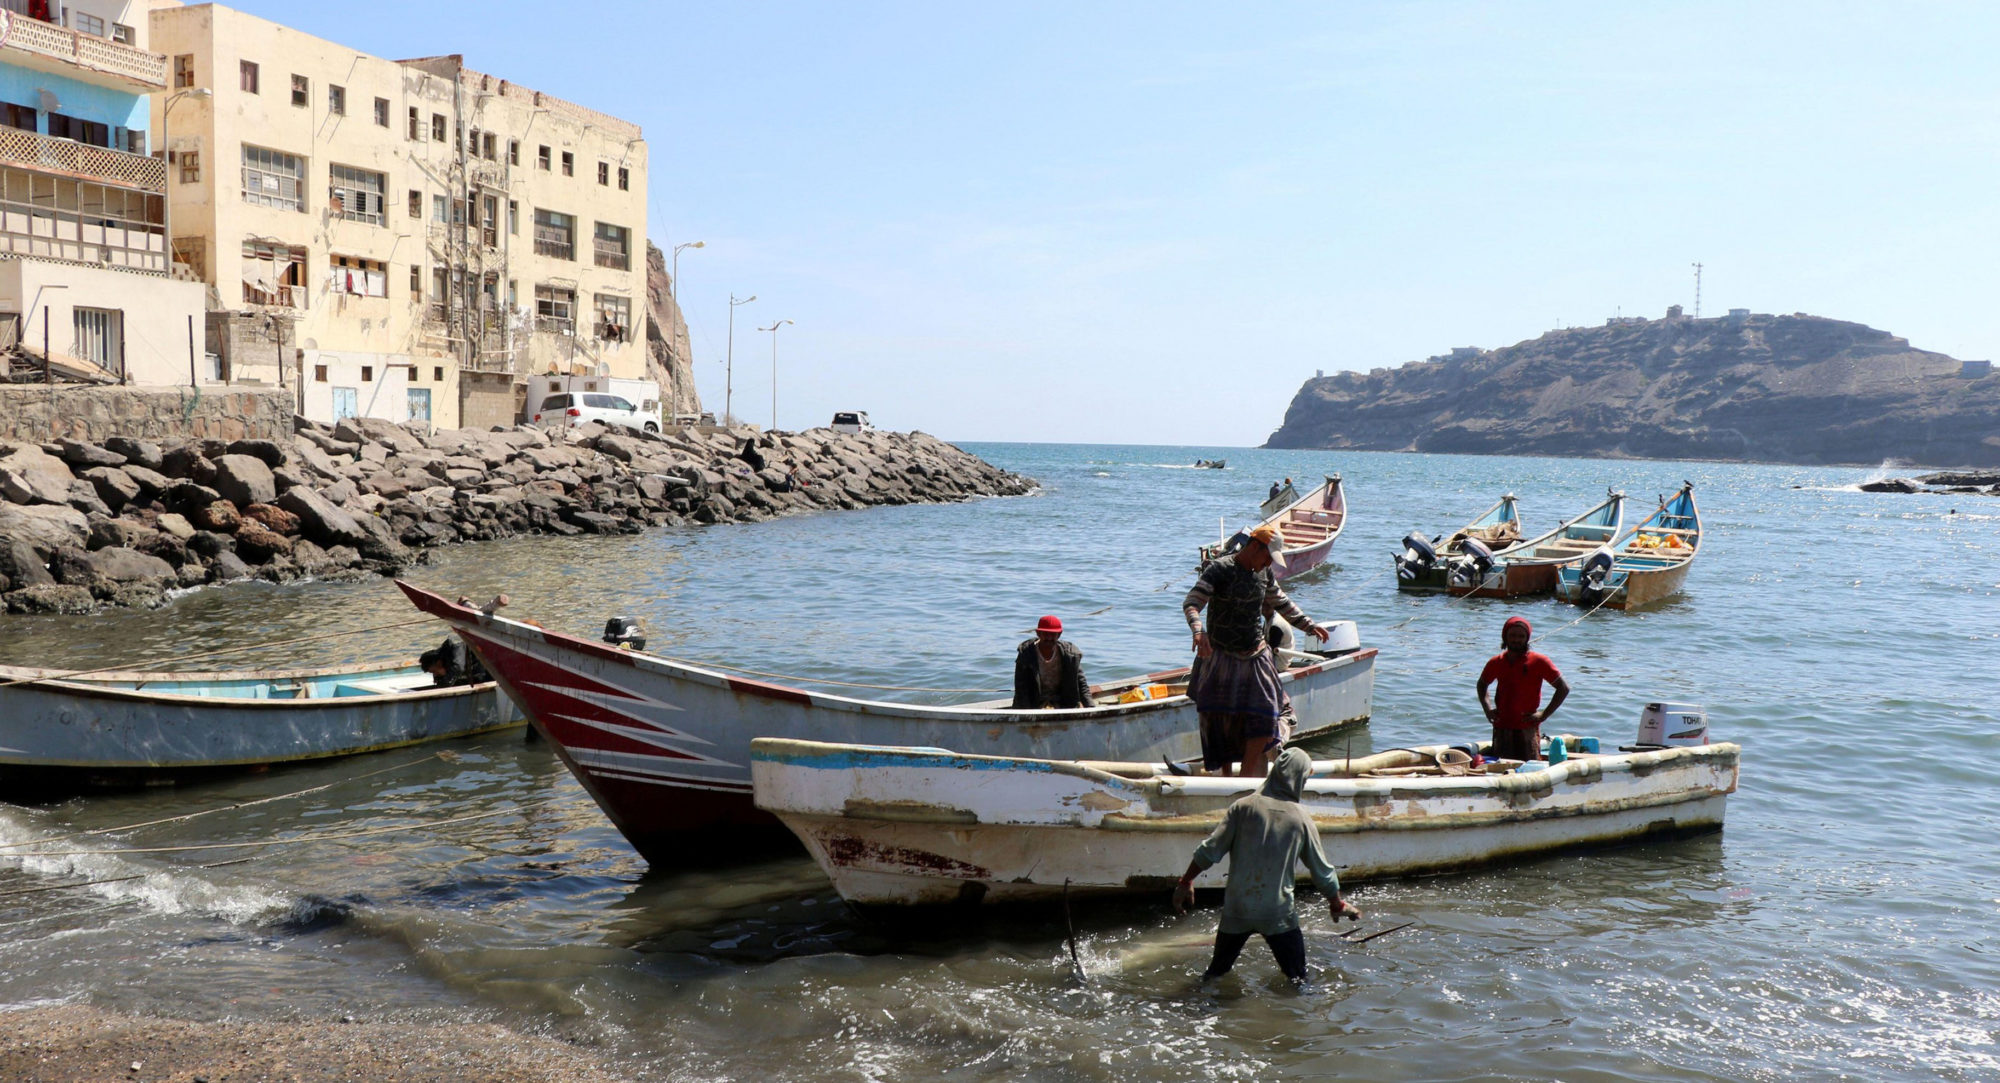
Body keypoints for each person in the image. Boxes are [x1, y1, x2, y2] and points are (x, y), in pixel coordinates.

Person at [1172, 747, 1362, 982]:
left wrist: (1185, 882)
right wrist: (1337, 903)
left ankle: (1199, 1004)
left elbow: (1209, 851)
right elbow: (1322, 872)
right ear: (1300, 779)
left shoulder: (1242, 807)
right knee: (1298, 979)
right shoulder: (1301, 818)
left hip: (1237, 909)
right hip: (1276, 913)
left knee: (1215, 974)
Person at [1182, 524, 1332, 776]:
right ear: (1254, 547)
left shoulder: (1264, 573)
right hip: (1220, 655)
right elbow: (1192, 603)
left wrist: (1308, 625)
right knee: (1220, 720)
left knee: (1266, 715)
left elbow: (1281, 601)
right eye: (1267, 557)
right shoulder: (1220, 569)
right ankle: (1227, 779)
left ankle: (1247, 774)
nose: (1268, 563)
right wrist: (1198, 631)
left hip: (1255, 654)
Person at [1476, 616, 1569, 761]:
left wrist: (1543, 715)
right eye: (1512, 635)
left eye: (1521, 636)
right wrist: (1487, 709)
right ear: (1505, 637)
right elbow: (1482, 684)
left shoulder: (1539, 661)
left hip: (1527, 727)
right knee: (1501, 766)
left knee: (1529, 766)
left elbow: (1563, 688)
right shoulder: (1496, 662)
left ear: (1527, 638)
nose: (1516, 640)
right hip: (1502, 727)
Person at [1010, 615, 1094, 709]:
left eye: (1053, 634)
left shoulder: (1070, 655)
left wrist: (1091, 708)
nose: (1049, 638)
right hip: (1033, 703)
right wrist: (1027, 713)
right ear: (1038, 633)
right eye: (1045, 634)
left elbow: (1082, 684)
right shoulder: (1026, 654)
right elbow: (1021, 689)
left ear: (1059, 635)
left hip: (1064, 703)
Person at [419, 636, 490, 688]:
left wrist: (444, 682)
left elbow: (458, 668)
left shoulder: (456, 651)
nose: (435, 674)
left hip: (487, 673)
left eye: (434, 671)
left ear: (438, 662)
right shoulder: (445, 661)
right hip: (474, 675)